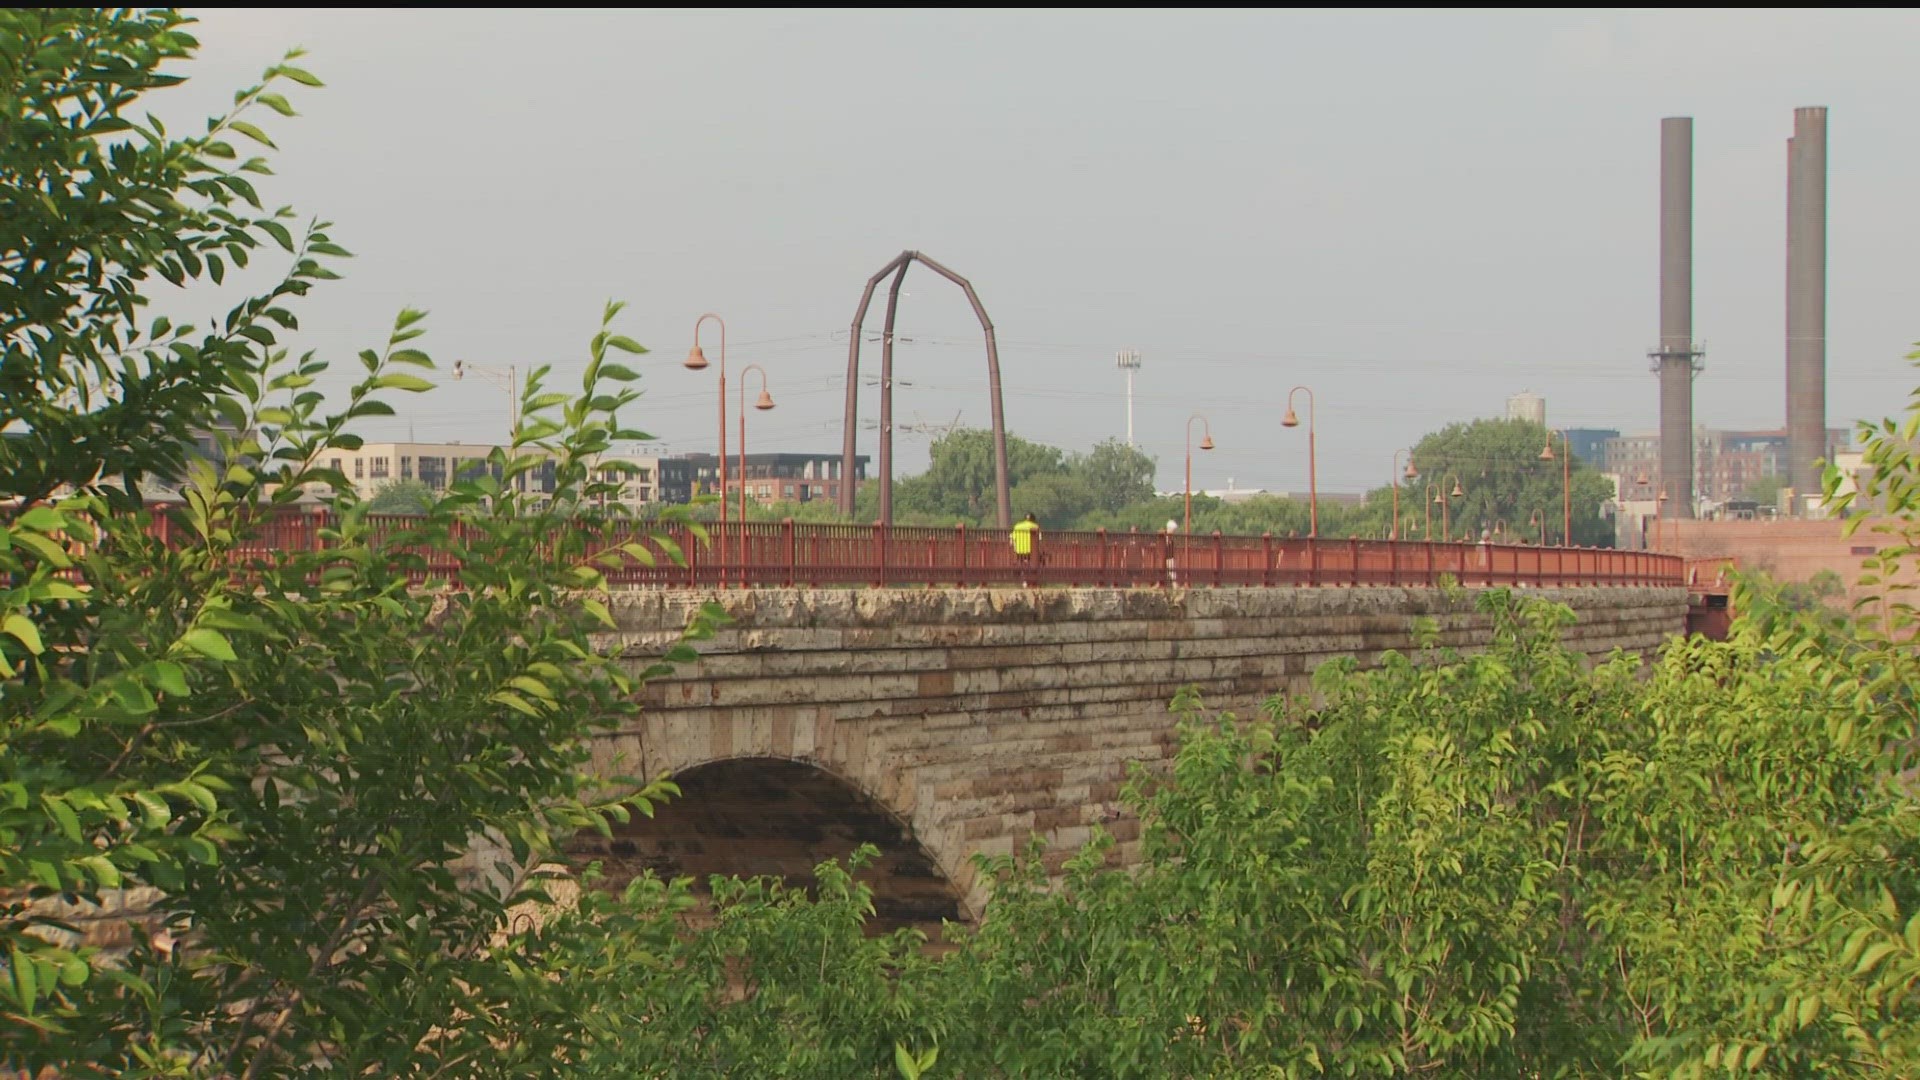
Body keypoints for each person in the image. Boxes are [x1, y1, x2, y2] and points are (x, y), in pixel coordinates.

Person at [1010, 513, 1040, 581]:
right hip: (1031, 551)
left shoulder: (1017, 526)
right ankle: (1032, 577)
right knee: (1037, 560)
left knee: (1021, 561)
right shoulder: (1035, 526)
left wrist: (1015, 548)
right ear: (1033, 519)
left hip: (1019, 550)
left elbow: (1012, 539)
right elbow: (1039, 540)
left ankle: (1020, 574)